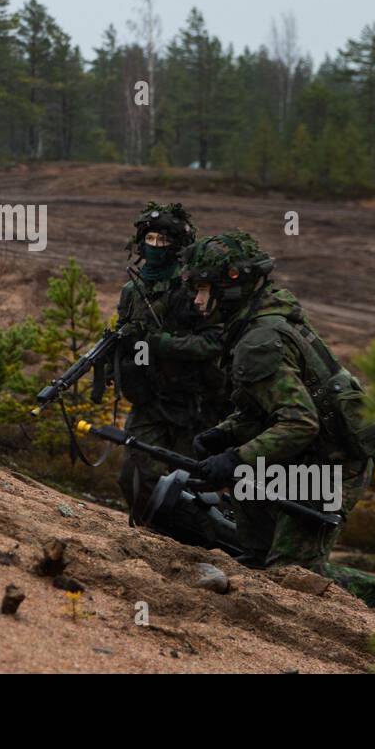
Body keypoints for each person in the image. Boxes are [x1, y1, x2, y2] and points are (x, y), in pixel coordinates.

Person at [181, 230, 375, 606]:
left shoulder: (259, 340)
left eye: (203, 290)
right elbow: (265, 407)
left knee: (291, 578)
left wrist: (235, 459)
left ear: (229, 288)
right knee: (257, 555)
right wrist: (221, 435)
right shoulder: (260, 321)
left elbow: (299, 422)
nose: (198, 301)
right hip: (301, 456)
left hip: (330, 465)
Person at [112, 203, 229, 546]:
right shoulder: (132, 291)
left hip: (194, 404)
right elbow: (125, 333)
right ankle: (147, 537)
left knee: (193, 484)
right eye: (149, 238)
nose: (155, 246)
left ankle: (198, 546)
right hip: (149, 399)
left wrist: (165, 344)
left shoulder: (194, 289)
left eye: (163, 239)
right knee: (134, 475)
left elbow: (215, 342)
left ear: (177, 245)